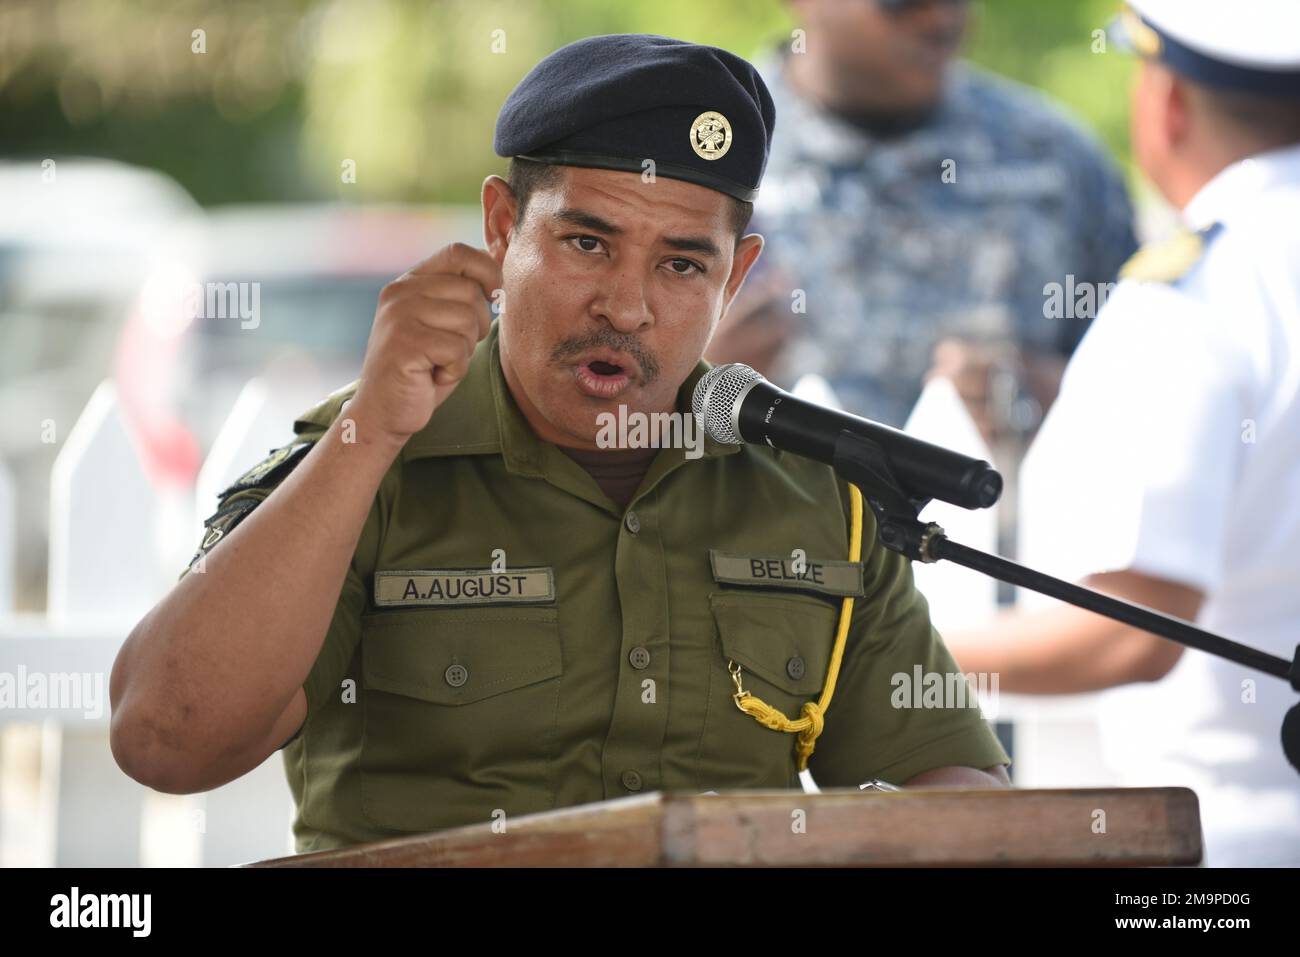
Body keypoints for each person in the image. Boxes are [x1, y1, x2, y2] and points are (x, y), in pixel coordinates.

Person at [108, 34, 1009, 852]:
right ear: (503, 228)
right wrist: (368, 435)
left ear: (737, 276)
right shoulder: (371, 460)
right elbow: (165, 739)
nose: (626, 305)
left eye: (682, 263)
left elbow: (950, 781)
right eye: (587, 241)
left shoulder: (817, 494)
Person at [944, 0, 1300, 866]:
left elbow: (1133, 631)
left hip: (1222, 847)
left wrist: (875, 656)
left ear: (1166, 100)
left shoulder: (1195, 293)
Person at [708, 0, 1138, 445]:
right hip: (771, 511)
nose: (941, 19)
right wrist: (692, 384)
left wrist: (1053, 395)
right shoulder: (704, 157)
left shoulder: (1056, 162)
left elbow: (1156, 388)